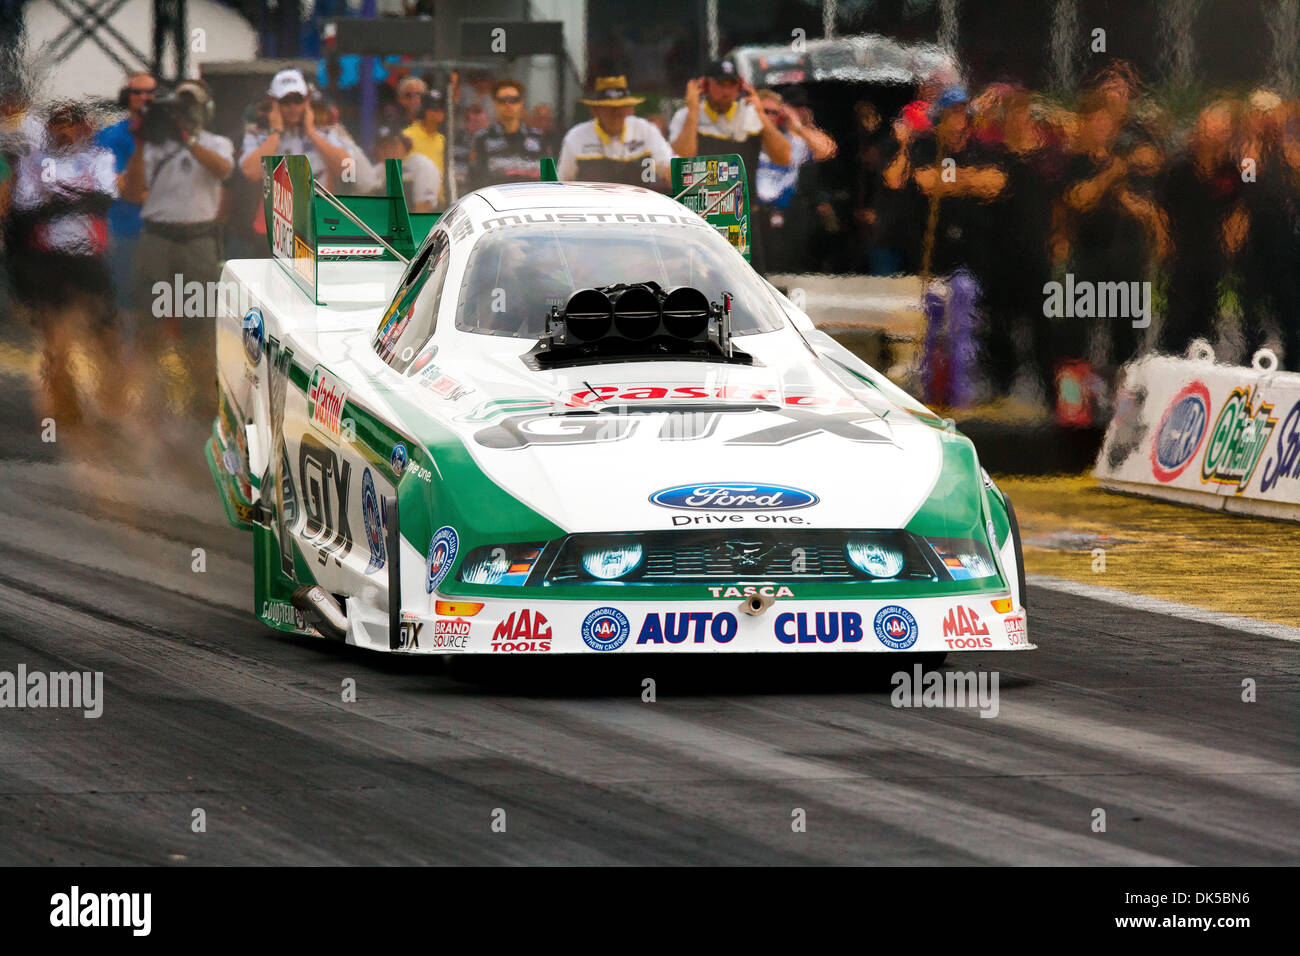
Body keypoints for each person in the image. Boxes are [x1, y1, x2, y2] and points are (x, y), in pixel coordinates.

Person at [7, 101, 120, 421]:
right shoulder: (35, 162)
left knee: (106, 336)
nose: (64, 132)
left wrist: (57, 200)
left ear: (81, 127)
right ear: (50, 129)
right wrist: (74, 201)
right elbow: (27, 209)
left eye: (70, 125)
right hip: (51, 262)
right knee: (57, 338)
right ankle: (65, 405)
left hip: (89, 258)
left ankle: (113, 405)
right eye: (58, 125)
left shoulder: (99, 158)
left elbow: (103, 200)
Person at [120, 79, 233, 312]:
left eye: (192, 106)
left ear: (205, 109)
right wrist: (140, 145)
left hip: (199, 238)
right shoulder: (155, 146)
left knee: (200, 314)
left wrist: (189, 140)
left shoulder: (218, 143)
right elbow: (132, 194)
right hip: (157, 236)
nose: (186, 112)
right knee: (148, 312)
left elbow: (222, 170)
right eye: (180, 106)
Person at [753, 88, 835, 273]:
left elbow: (827, 150)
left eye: (774, 112)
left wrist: (798, 126)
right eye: (765, 111)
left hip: (785, 216)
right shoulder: (744, 138)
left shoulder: (793, 139)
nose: (770, 116)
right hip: (752, 215)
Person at [95, 71, 156, 306]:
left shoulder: (173, 135)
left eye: (150, 92)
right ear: (126, 96)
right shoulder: (111, 135)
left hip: (164, 235)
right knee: (125, 302)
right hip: (126, 231)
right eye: (137, 92)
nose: (144, 97)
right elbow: (123, 188)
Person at [238, 69, 353, 187]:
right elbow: (251, 173)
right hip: (277, 204)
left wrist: (312, 133)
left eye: (298, 99)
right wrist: (274, 134)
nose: (292, 106)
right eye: (285, 101)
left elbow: (347, 170)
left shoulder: (325, 130)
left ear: (307, 99)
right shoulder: (257, 132)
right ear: (273, 102)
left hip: (318, 202)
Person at [557, 75, 673, 188]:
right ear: (595, 111)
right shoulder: (576, 137)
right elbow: (562, 182)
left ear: (630, 109)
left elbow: (670, 169)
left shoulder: (646, 130)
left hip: (639, 205)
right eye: (610, 108)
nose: (618, 113)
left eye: (622, 107)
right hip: (592, 205)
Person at [468, 78, 546, 190]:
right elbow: (475, 180)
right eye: (503, 100)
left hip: (531, 203)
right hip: (497, 205)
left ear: (521, 102)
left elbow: (550, 180)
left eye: (514, 100)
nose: (508, 104)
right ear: (495, 103)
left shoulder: (539, 137)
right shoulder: (482, 139)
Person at [372, 125, 439, 213]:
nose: (389, 150)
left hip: (416, 223)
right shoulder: (378, 170)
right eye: (383, 146)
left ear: (405, 144)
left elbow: (424, 206)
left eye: (393, 144)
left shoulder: (420, 164)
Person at [403, 89, 448, 205]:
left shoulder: (442, 139)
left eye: (441, 109)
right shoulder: (408, 135)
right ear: (424, 111)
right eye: (433, 109)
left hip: (440, 203)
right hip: (415, 202)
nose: (438, 112)